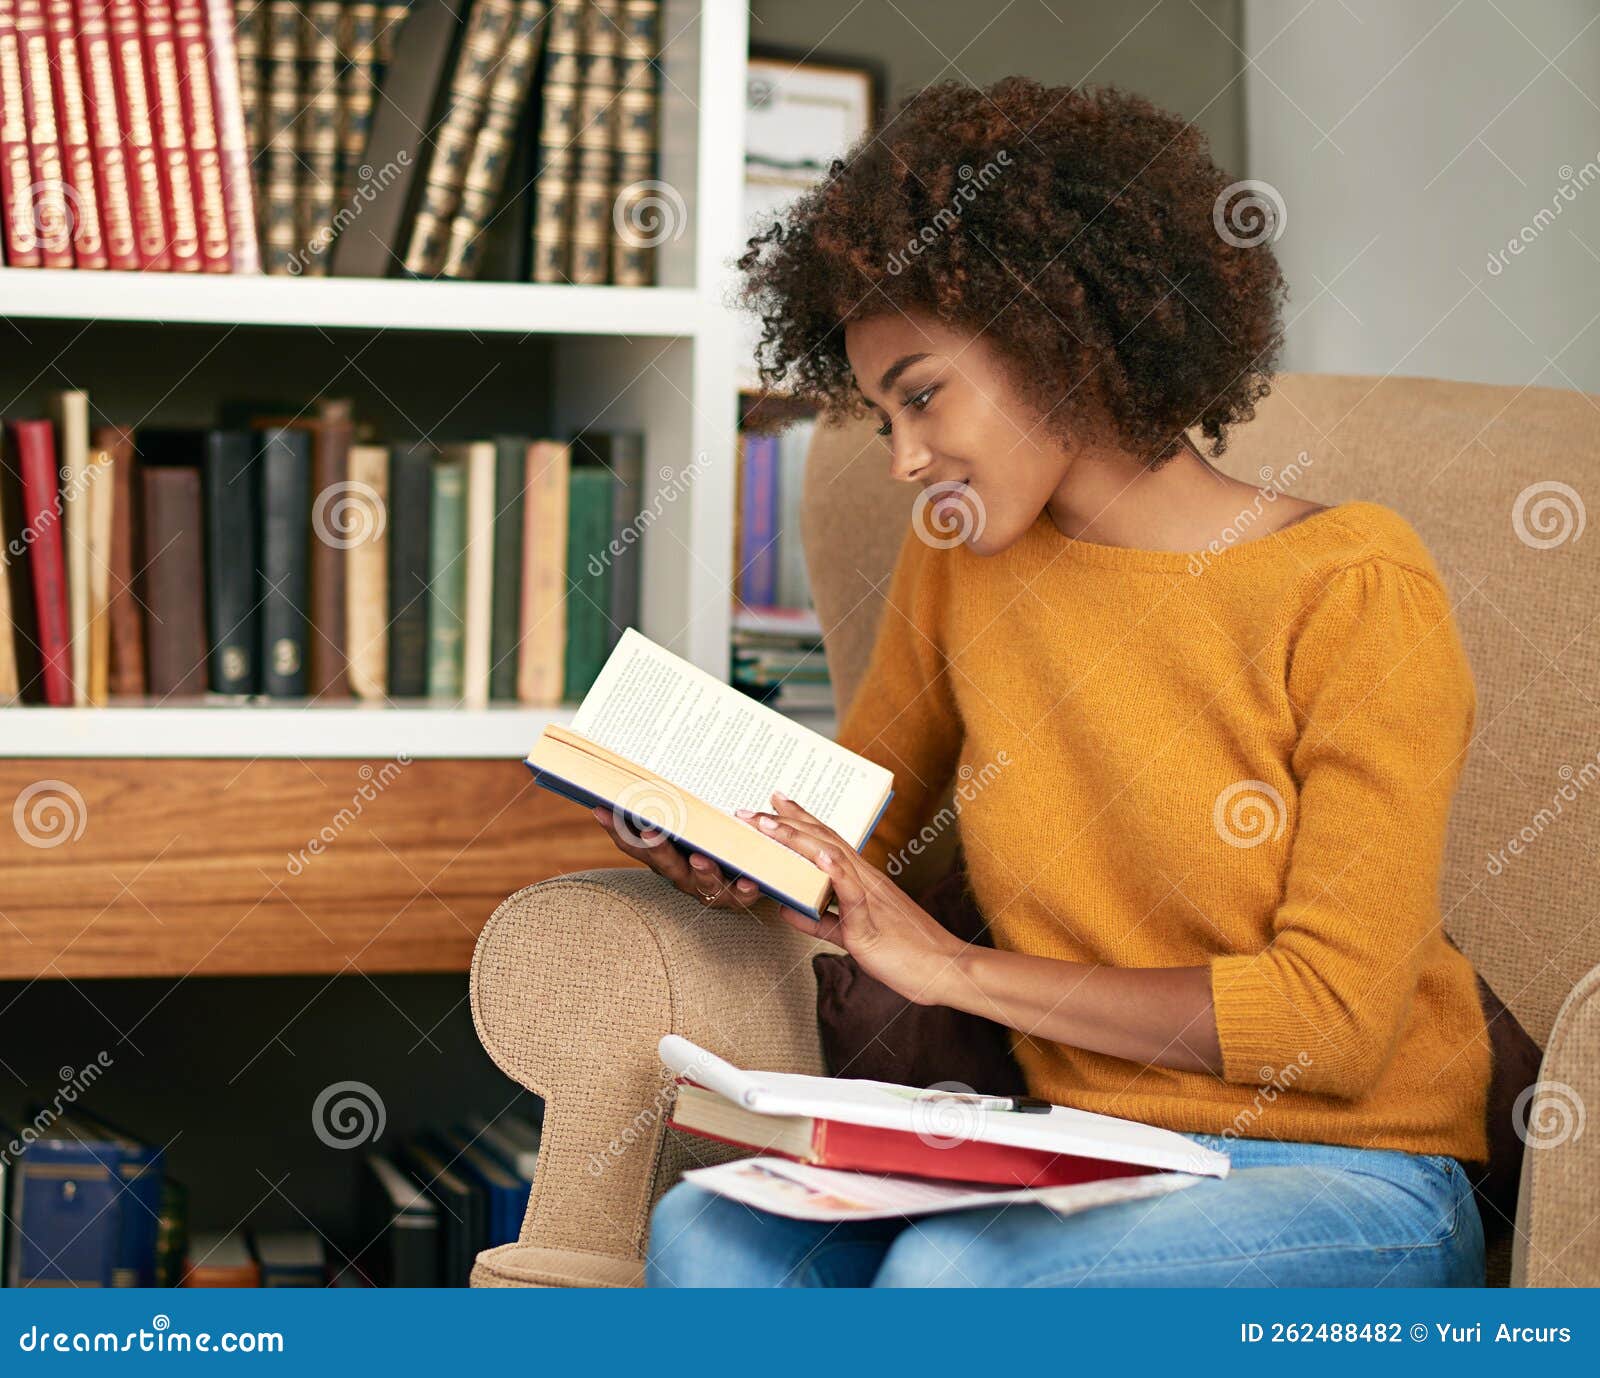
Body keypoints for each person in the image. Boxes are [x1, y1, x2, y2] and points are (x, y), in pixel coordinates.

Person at [593, 77, 1489, 1287]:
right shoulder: (961, 557)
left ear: (1058, 339)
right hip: (1083, 1154)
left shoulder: (1355, 587)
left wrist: (955, 969)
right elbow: (869, 827)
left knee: (957, 1279)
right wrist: (732, 849)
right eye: (879, 414)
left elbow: (1327, 1023)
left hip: (1349, 1177)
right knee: (703, 1236)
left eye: (921, 395)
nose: (905, 458)